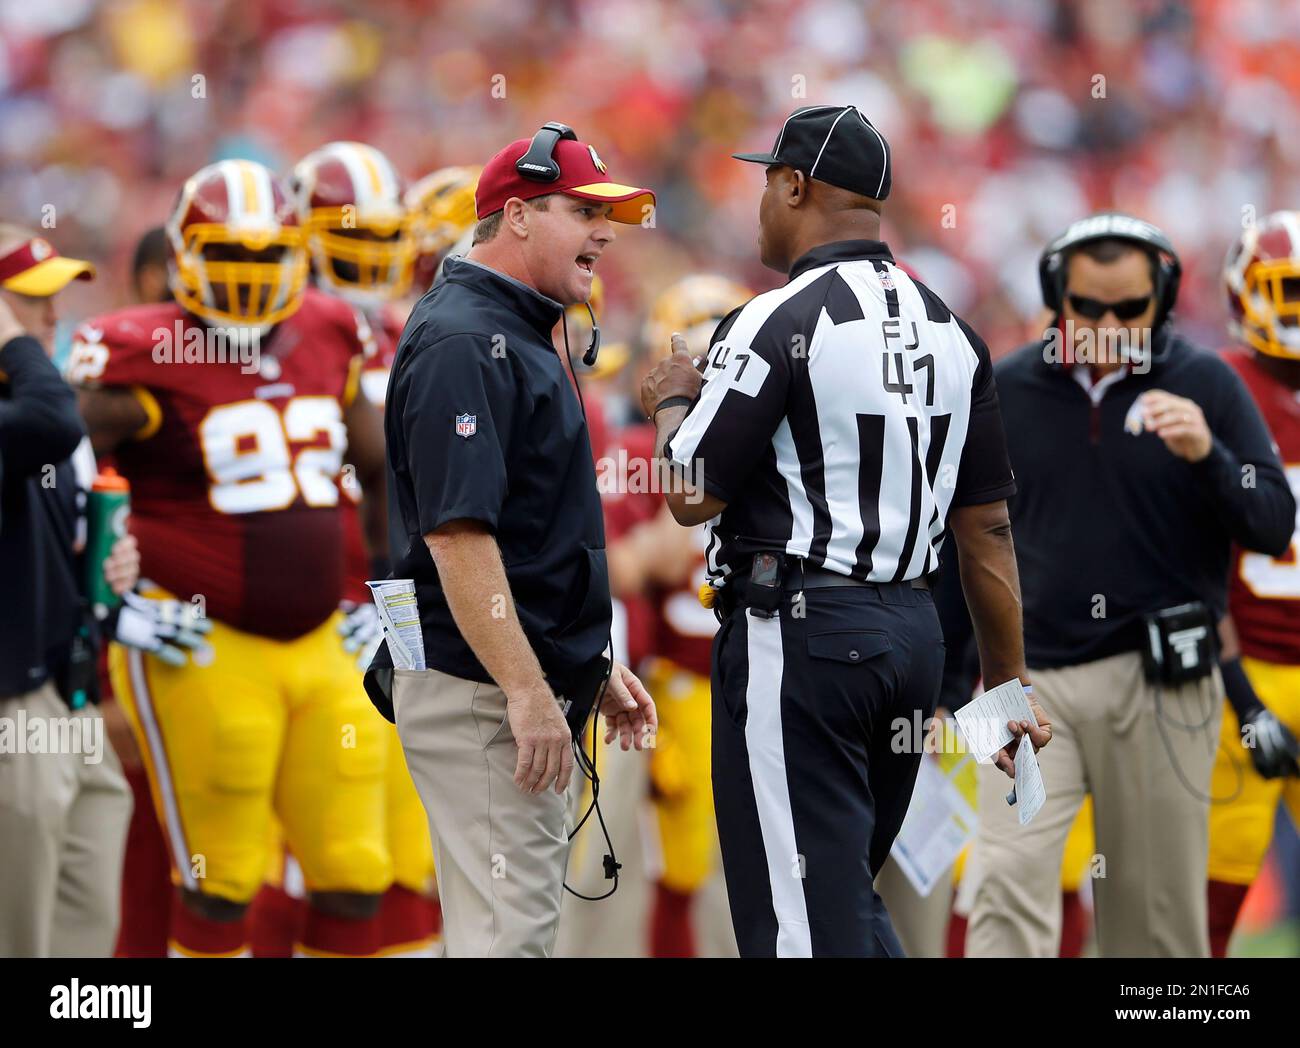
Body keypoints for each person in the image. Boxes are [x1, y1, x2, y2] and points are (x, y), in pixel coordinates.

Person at [640, 104, 1050, 957]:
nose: (757, 203)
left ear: (795, 186)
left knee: (796, 924)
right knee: (836, 906)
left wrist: (674, 399)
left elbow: (688, 494)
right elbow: (989, 533)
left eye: (766, 182)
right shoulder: (955, 332)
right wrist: (1006, 687)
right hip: (911, 640)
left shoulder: (775, 318)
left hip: (802, 636)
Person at [70, 158, 395, 959]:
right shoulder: (136, 347)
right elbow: (52, 482)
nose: (248, 276)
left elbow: (384, 466)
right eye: (228, 255)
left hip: (326, 638)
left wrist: (390, 599)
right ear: (183, 258)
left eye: (264, 256)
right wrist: (104, 604)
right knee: (222, 876)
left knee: (355, 868)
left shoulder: (328, 327)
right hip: (202, 640)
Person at [963, 212, 1296, 959]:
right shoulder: (1006, 387)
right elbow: (966, 539)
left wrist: (1210, 453)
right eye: (1088, 306)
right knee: (1004, 889)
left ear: (1163, 301)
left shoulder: (1205, 380)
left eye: (1129, 308)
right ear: (1057, 297)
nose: (1108, 322)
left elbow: (1274, 523)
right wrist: (956, 683)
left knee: (1155, 919)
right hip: (1022, 678)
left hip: (1162, 683)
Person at [375, 122, 658, 957]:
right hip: (483, 688)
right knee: (509, 939)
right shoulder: (468, 337)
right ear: (520, 214)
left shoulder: (505, 325)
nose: (604, 232)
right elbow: (460, 539)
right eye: (583, 210)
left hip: (499, 678)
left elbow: (532, 539)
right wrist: (531, 689)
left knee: (506, 931)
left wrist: (583, 667)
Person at [0, 234, 136, 957]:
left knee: (84, 930)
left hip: (68, 695)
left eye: (54, 296)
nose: (50, 316)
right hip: (11, 708)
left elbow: (68, 539)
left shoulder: (41, 398)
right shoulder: (42, 403)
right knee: (19, 935)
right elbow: (49, 423)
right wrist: (12, 342)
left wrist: (114, 565)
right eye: (28, 300)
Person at [1205, 210, 1300, 956]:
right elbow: (1189, 555)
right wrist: (1237, 688)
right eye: (1287, 291)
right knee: (1216, 884)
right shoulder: (1220, 385)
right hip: (1248, 664)